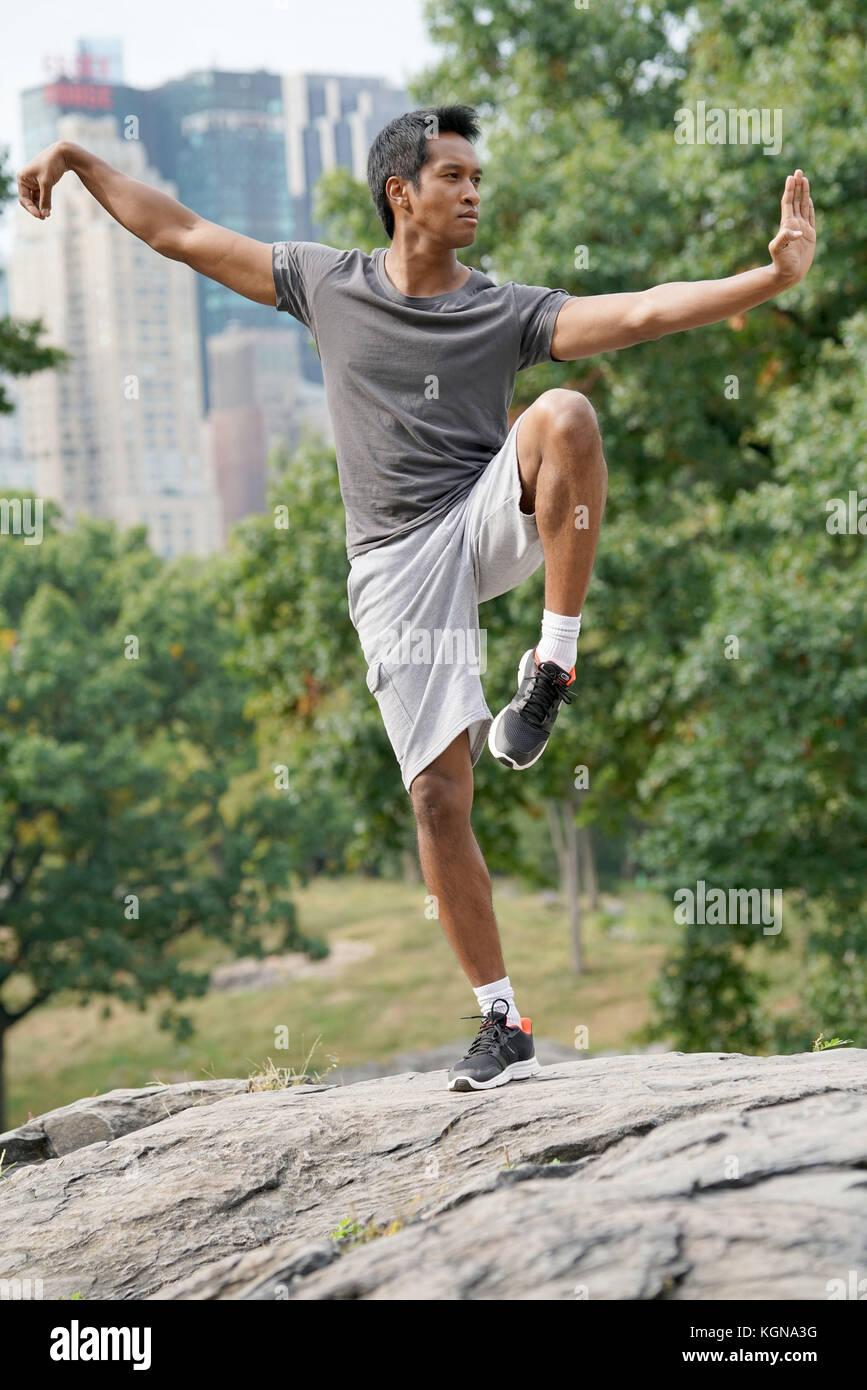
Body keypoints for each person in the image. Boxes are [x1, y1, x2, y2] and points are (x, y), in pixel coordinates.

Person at [18, 105, 816, 1092]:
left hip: (486, 519)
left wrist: (770, 278)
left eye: (478, 176)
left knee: (566, 412)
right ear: (402, 194)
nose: (474, 191)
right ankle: (502, 1019)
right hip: (394, 566)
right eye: (453, 177)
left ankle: (552, 665)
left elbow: (646, 311)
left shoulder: (504, 308)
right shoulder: (325, 282)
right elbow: (181, 233)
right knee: (440, 799)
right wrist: (79, 157)